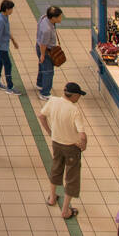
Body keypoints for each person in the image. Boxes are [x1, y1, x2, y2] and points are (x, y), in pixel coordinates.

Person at [40, 81, 88, 220]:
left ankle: (52, 197)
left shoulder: (53, 101)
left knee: (56, 168)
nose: (79, 98)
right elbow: (82, 134)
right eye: (79, 95)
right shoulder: (74, 110)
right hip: (71, 147)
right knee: (72, 177)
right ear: (73, 95)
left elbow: (41, 116)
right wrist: (83, 145)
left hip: (56, 143)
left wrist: (50, 131)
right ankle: (66, 210)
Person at [0, 0, 20, 93]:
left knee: (0, 63)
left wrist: (13, 40)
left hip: (3, 45)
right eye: (11, 9)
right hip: (0, 47)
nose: (12, 10)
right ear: (7, 9)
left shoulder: (5, 16)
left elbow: (6, 31)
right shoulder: (0, 21)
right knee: (8, 65)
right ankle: (10, 87)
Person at [36, 5, 63, 99]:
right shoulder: (47, 29)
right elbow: (43, 44)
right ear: (53, 18)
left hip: (40, 45)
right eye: (59, 16)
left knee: (42, 67)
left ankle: (40, 84)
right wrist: (43, 55)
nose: (61, 18)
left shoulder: (44, 17)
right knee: (48, 71)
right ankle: (45, 93)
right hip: (45, 50)